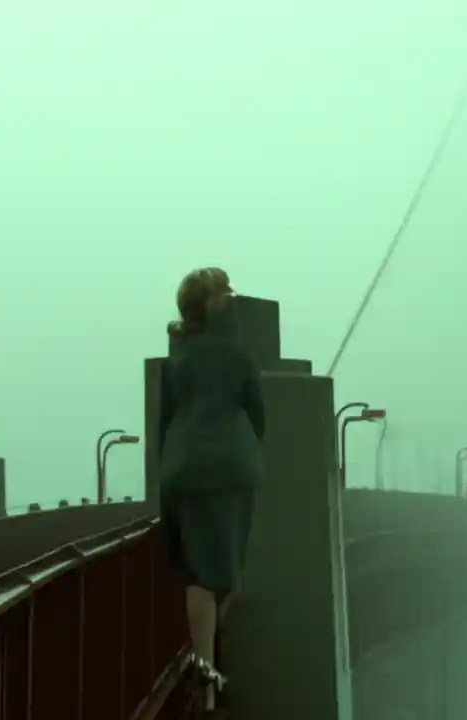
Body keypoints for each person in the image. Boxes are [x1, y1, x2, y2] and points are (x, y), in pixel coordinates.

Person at [157, 267, 265, 717]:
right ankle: (203, 667)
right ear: (217, 303)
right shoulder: (235, 353)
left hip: (183, 472)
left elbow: (165, 418)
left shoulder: (176, 355)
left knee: (197, 575)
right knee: (229, 579)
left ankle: (203, 671)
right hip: (231, 474)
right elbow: (257, 414)